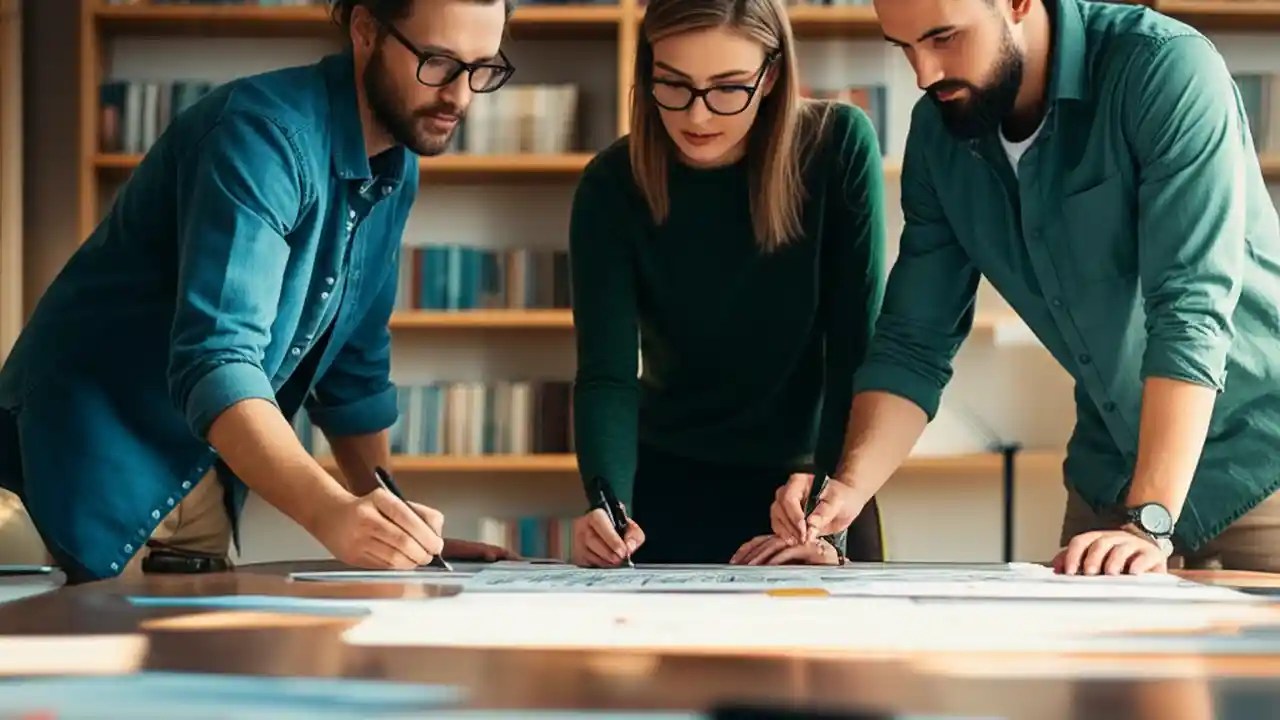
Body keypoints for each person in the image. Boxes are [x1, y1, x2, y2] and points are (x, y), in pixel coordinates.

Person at [0, 0, 517, 584]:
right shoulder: (260, 135)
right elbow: (217, 361)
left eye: (483, 69)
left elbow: (355, 371)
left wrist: (404, 532)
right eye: (440, 63)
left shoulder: (396, 167)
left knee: (197, 672)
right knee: (69, 668)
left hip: (200, 482)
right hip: (81, 468)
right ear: (366, 29)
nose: (461, 97)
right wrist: (333, 513)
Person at [771, 0, 1280, 575]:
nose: (924, 74)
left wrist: (1151, 520)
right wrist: (843, 498)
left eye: (943, 38)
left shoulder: (1164, 70)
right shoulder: (939, 137)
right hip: (1110, 478)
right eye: (905, 47)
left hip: (1259, 466)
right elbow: (914, 340)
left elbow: (1190, 309)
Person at [567, 0, 888, 568]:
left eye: (727, 88)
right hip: (667, 488)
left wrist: (824, 521)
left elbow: (854, 353)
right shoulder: (610, 186)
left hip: (813, 482)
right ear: (646, 73)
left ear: (771, 77)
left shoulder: (837, 147)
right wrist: (606, 502)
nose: (697, 116)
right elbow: (607, 373)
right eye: (673, 85)